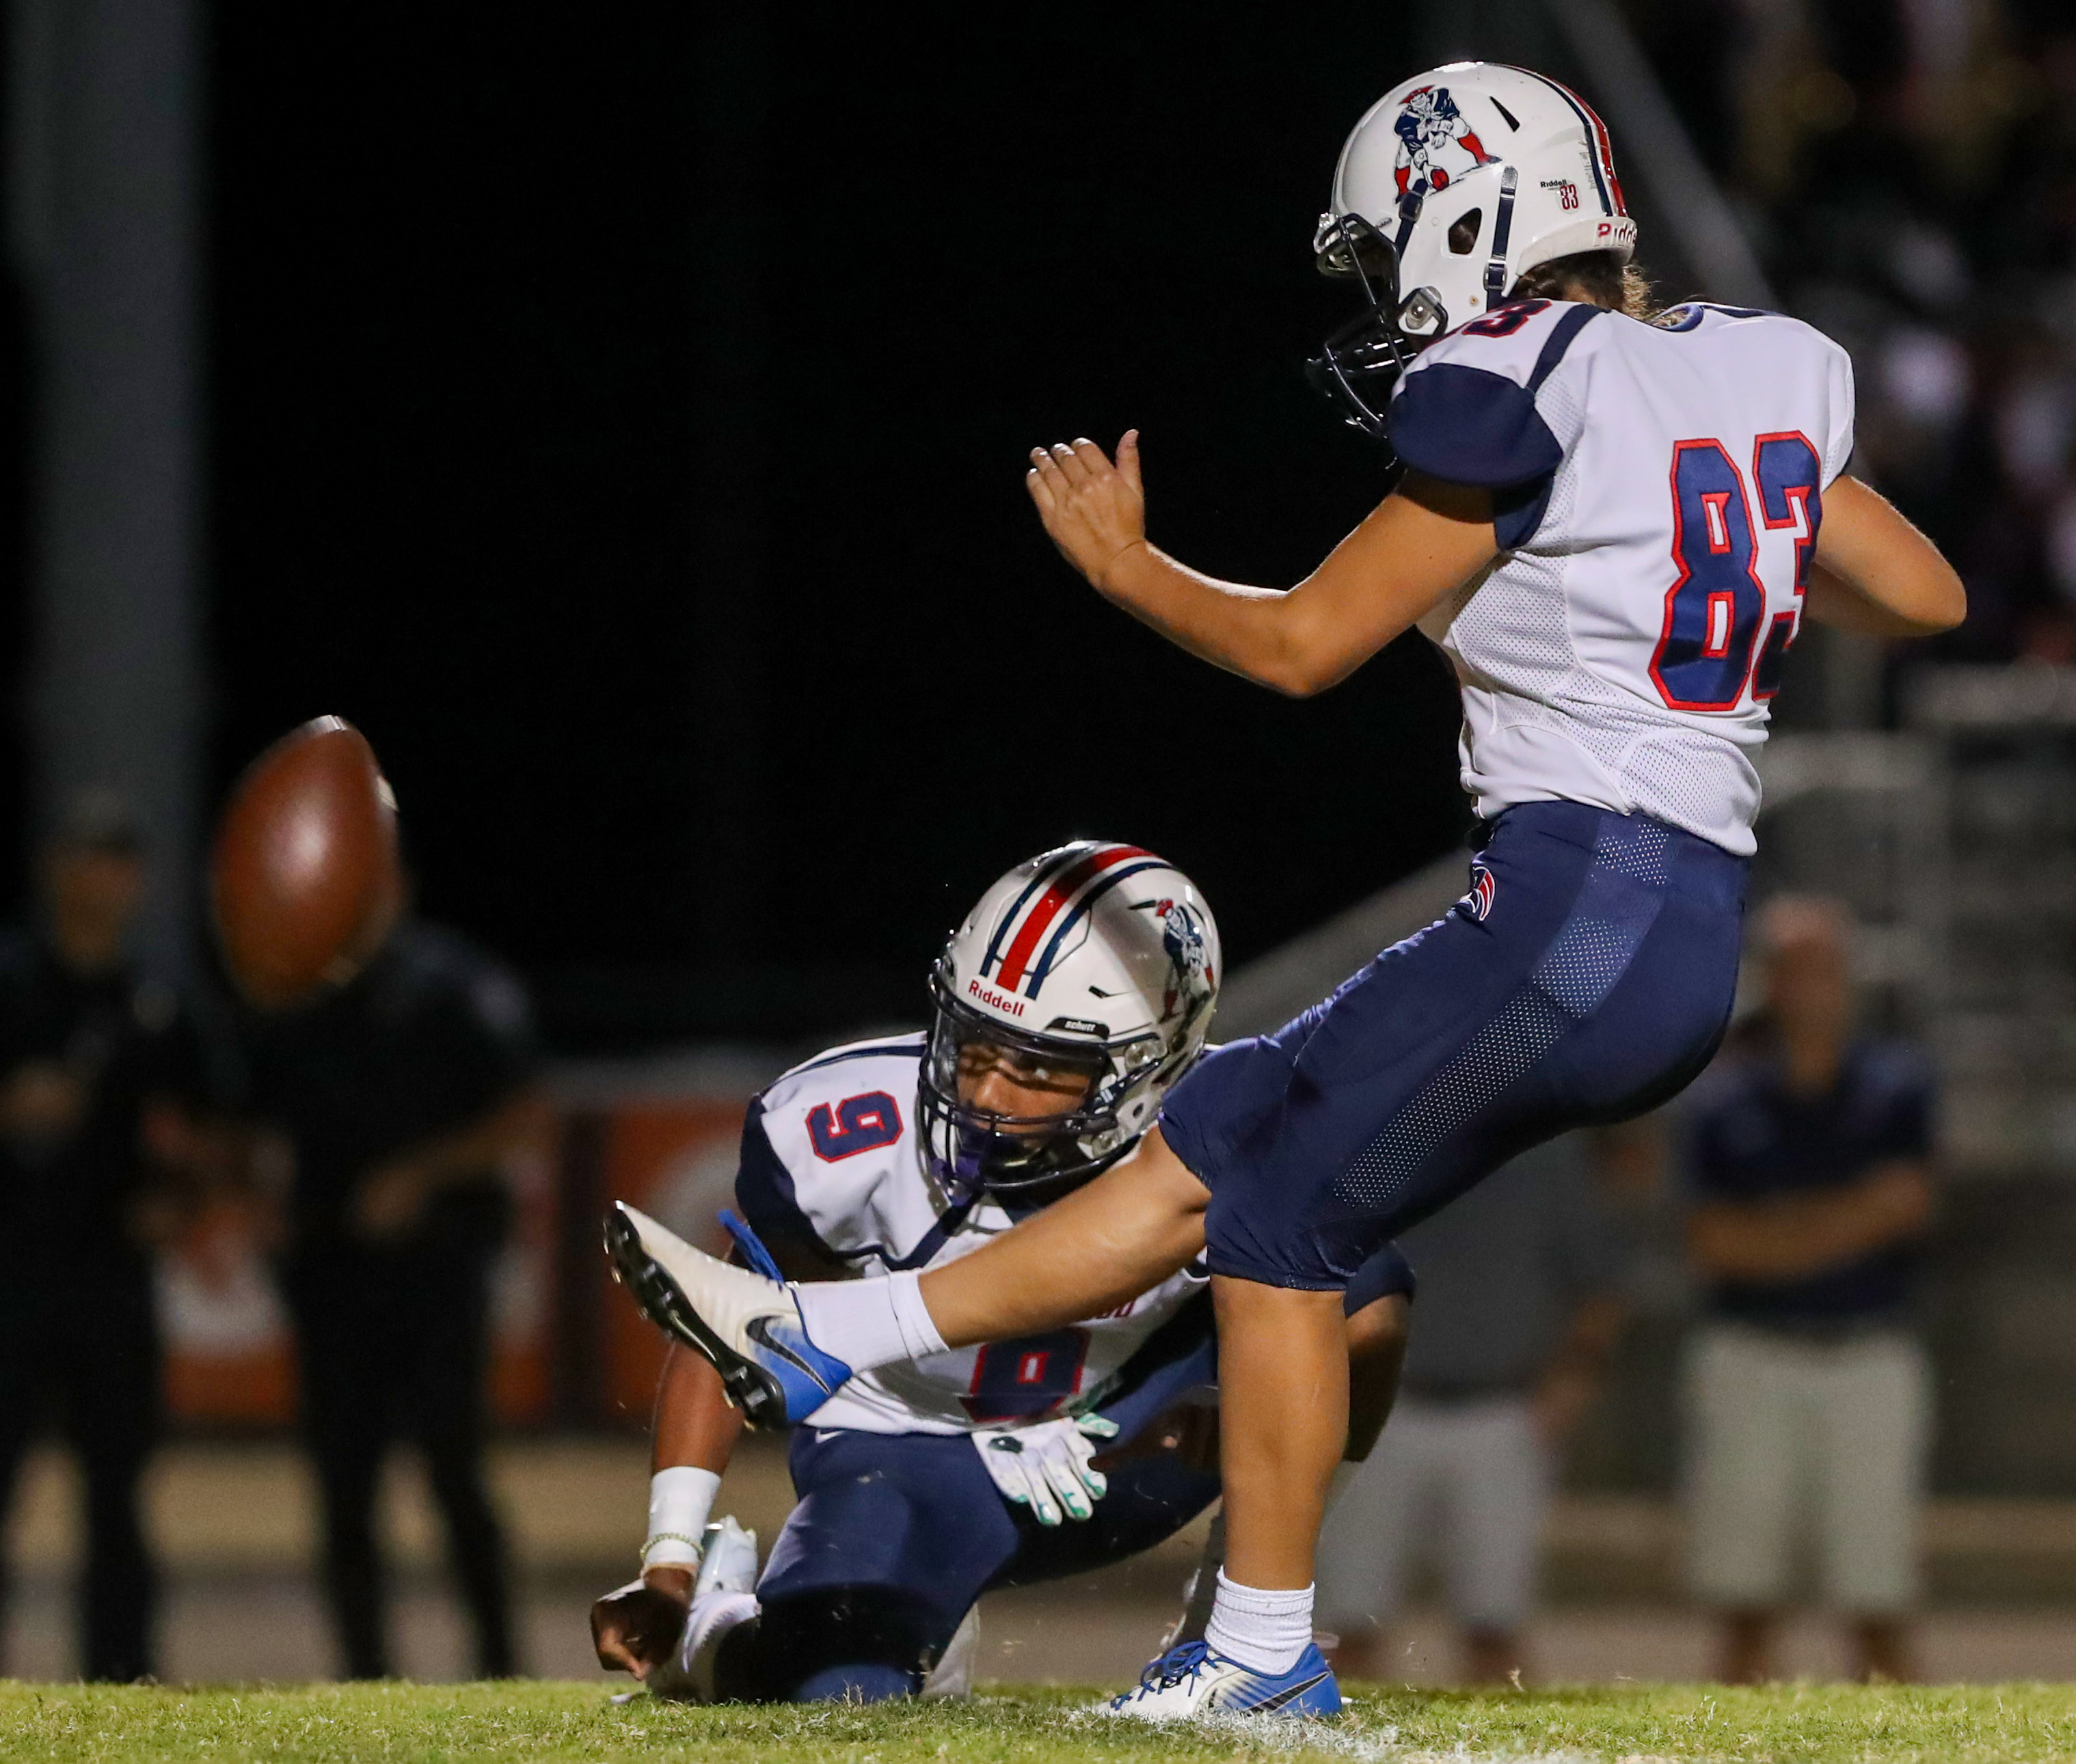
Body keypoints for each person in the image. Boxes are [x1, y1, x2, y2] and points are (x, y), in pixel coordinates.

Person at [625, 62, 1967, 1718]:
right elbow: (1919, 590)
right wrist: (1711, 566)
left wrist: (1123, 565)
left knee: (1280, 1212)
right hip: (1673, 912)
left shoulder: (1514, 379)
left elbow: (1299, 642)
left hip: (1576, 892)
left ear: (1463, 219)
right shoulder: (1735, 371)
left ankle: (1255, 1645)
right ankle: (826, 1327)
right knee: (1225, 1126)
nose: (1378, 293)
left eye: (1385, 248)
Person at [599, 845, 1411, 1708]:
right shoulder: (849, 1128)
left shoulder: (1233, 1123)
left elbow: (1346, 1307)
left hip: (1119, 1450)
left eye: (1035, 1065)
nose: (984, 1091)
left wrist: (1190, 1402)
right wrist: (671, 1562)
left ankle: (1234, 1629)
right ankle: (722, 1631)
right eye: (973, 1044)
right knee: (833, 1697)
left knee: (1362, 1295)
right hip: (903, 1451)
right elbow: (736, 1328)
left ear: (1150, 1068)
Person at [239, 904, 543, 1680]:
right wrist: (263, 1200)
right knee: (343, 1487)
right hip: (329, 1277)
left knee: (455, 1472)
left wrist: (421, 1174)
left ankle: (501, 1672)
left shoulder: (455, 984)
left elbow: (521, 1111)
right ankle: (363, 1678)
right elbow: (255, 1118)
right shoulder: (293, 986)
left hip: (437, 1276)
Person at [1682, 896, 1935, 1683]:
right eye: (1791, 969)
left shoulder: (1896, 1083)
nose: (1809, 987)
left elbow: (1909, 1205)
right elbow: (1716, 1243)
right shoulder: (1721, 1096)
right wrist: (1847, 1220)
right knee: (1742, 1603)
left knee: (1879, 1598)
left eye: (1823, 967)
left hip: (1867, 1353)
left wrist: (1779, 1232)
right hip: (1752, 1352)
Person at [0, 791, 219, 1681]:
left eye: (121, 859)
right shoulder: (10, 984)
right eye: (90, 855)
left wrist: (179, 1203)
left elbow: (207, 1139)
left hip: (111, 1282)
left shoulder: (155, 1006)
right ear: (55, 868)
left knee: (119, 1502)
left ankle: (120, 1691)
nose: (106, 876)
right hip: (8, 1277)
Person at [1317, 1133, 1627, 1685]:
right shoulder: (1378, 1141)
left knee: (1495, 1628)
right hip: (1383, 1409)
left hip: (1502, 1408)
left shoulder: (1544, 1149)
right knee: (1347, 1628)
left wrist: (1573, 1376)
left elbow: (1596, 1276)